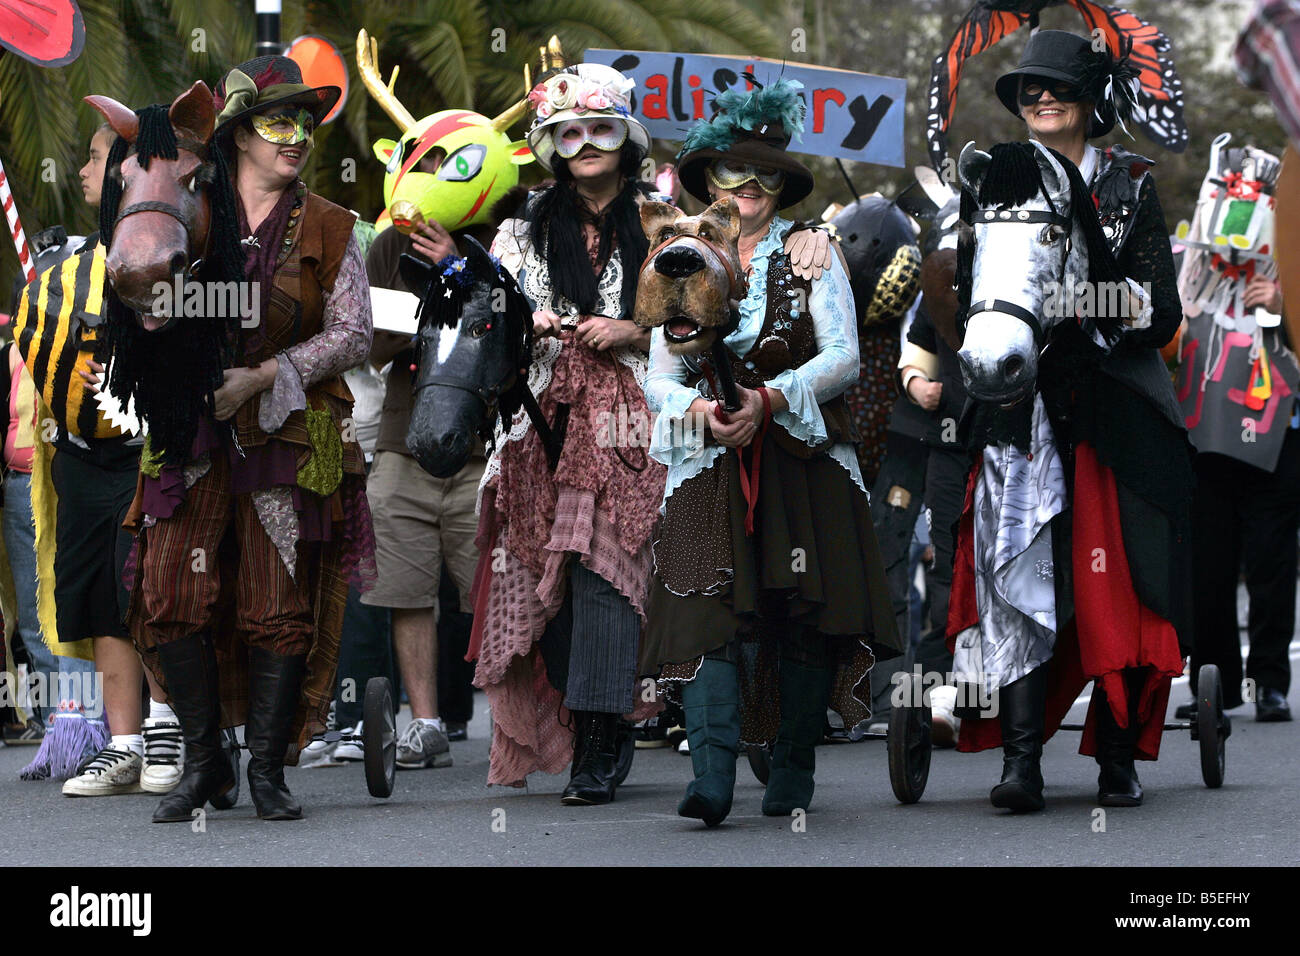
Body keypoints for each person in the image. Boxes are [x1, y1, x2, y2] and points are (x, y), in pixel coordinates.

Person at [103, 57, 374, 822]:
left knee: (274, 603)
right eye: (277, 122)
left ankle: (267, 773)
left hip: (286, 434)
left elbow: (353, 332)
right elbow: (136, 292)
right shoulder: (182, 201)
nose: (296, 137)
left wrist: (265, 375)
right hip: (188, 434)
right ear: (237, 134)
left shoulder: (330, 223)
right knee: (171, 594)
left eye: (306, 124)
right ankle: (204, 765)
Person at [639, 76, 902, 826]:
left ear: (784, 186)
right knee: (703, 609)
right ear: (707, 181)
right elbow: (656, 373)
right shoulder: (678, 256)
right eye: (732, 172)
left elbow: (843, 357)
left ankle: (791, 769)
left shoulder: (813, 254)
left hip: (798, 459)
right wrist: (696, 407)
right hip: (707, 458)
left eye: (765, 175)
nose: (749, 187)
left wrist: (770, 401)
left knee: (799, 613)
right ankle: (713, 780)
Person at [951, 29, 1191, 811]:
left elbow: (1160, 310)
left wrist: (1085, 305)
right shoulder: (994, 177)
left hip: (1107, 407)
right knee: (1013, 566)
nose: (1040, 99)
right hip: (1019, 409)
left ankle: (1116, 757)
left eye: (1056, 87)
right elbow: (969, 293)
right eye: (1027, 90)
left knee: (1111, 584)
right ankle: (1021, 763)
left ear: (1091, 100)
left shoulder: (1128, 183)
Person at [472, 62, 665, 803]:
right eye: (568, 132)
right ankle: (585, 724)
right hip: (537, 419)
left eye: (601, 129)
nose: (586, 144)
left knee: (608, 574)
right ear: (549, 144)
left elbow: (708, 317)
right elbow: (492, 315)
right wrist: (530, 322)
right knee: (539, 579)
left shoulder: (661, 219)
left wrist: (634, 330)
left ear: (626, 138)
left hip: (630, 424)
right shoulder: (521, 226)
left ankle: (601, 737)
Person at [12, 123, 181, 793]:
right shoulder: (70, 259)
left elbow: (195, 344)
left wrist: (126, 371)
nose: (82, 169)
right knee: (103, 599)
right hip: (79, 456)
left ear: (125, 173)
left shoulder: (172, 250)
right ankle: (124, 744)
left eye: (93, 156)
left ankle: (167, 727)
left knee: (149, 588)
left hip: (150, 451)